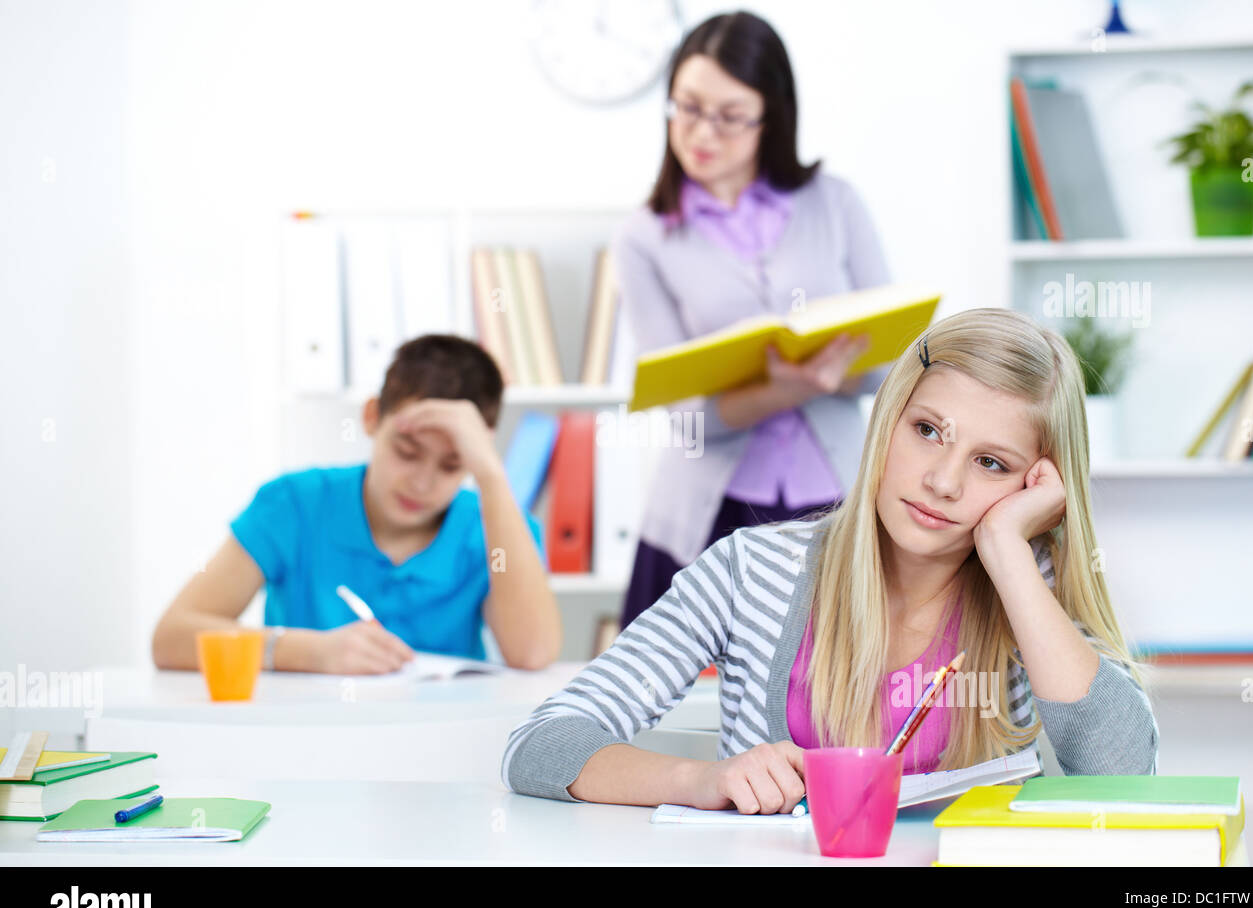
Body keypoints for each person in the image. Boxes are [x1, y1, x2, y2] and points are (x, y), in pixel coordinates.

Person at [502, 309, 1158, 812]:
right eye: (927, 431)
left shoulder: (1026, 588)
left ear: (1033, 484)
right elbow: (540, 747)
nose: (943, 482)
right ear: (887, 421)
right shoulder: (750, 570)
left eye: (992, 463)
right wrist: (699, 779)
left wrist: (1009, 554)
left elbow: (1124, 775)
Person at [613, 10, 890, 629]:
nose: (701, 133)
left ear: (772, 116)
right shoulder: (643, 239)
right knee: (683, 708)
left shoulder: (835, 203)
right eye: (686, 108)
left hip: (835, 501)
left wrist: (834, 375)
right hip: (708, 517)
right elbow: (686, 416)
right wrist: (780, 389)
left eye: (730, 116)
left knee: (837, 702)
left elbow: (896, 364)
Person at [153, 334, 562, 674]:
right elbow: (172, 638)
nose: (422, 482)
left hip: (442, 751)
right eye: (407, 450)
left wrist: (490, 473)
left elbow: (533, 653)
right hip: (309, 746)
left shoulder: (495, 527)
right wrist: (309, 652)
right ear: (372, 417)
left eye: (453, 464)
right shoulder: (295, 503)